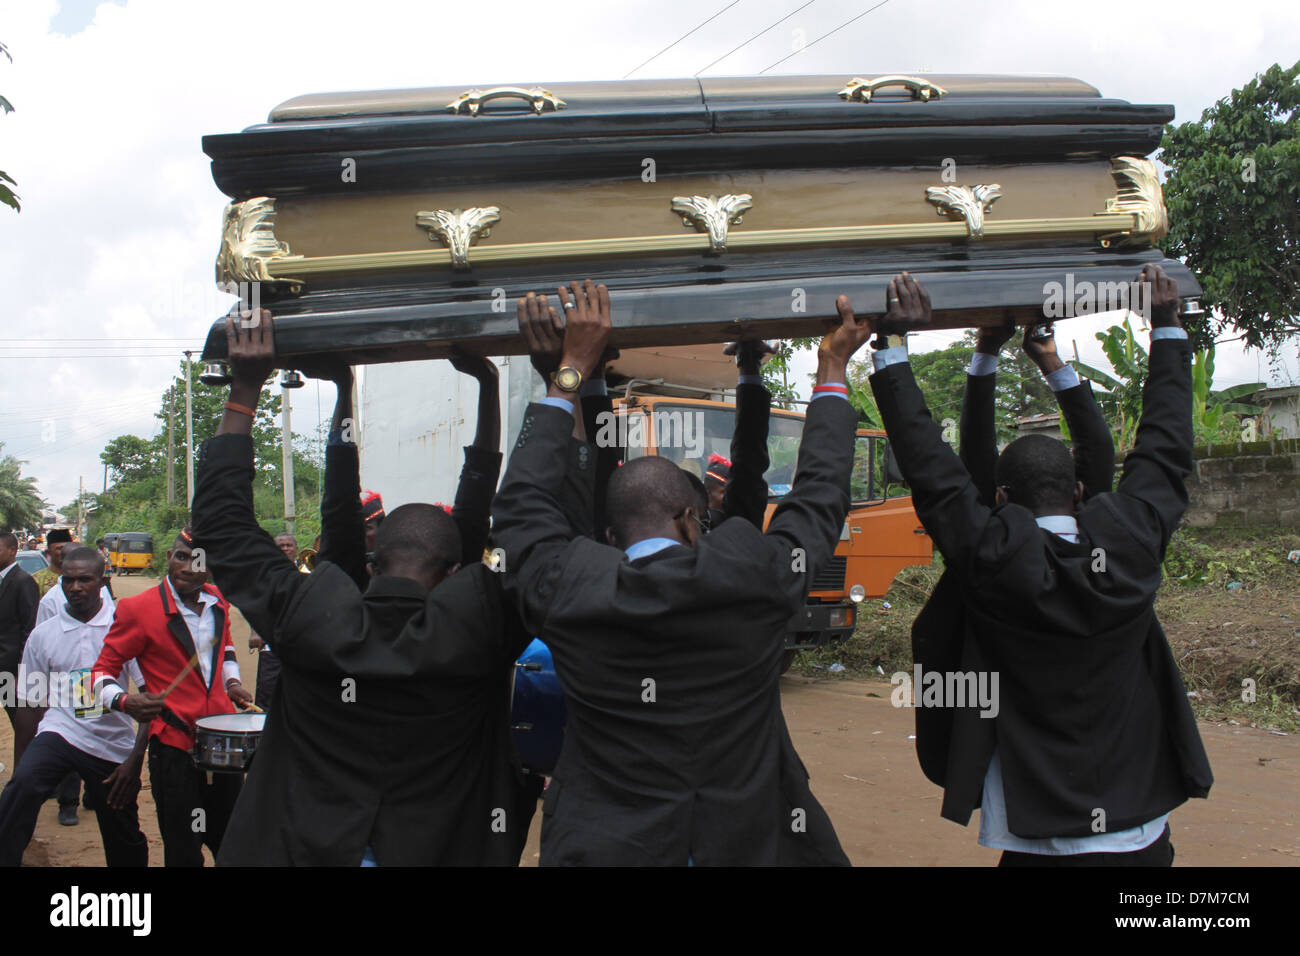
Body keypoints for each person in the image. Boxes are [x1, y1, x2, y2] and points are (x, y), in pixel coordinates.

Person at [494, 279, 866, 865]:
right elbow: (821, 491)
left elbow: (521, 504)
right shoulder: (754, 578)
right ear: (693, 522)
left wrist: (568, 373)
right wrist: (833, 365)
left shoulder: (569, 589)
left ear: (609, 539)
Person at [864, 267, 1213, 866]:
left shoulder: (992, 562)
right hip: (1141, 835)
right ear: (1081, 493)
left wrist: (895, 347)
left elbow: (934, 473)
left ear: (998, 501)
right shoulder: (1127, 546)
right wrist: (1166, 328)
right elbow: (1166, 448)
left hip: (1035, 836)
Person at [191, 311, 534, 866]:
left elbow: (221, 524)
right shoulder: (478, 629)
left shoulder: (312, 617)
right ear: (455, 573)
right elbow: (501, 524)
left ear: (373, 565)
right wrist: (494, 388)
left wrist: (250, 388)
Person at [90, 528, 253, 866]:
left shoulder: (218, 603)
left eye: (198, 561)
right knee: (183, 849)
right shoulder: (138, 609)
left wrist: (232, 682)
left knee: (233, 842)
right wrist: (123, 701)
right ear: (169, 557)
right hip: (174, 748)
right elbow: (98, 674)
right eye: (181, 557)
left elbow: (225, 647)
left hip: (222, 743)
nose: (187, 567)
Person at [0, 547, 148, 867]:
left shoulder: (124, 628)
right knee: (18, 795)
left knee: (123, 831)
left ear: (102, 580)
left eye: (85, 579)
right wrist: (22, 769)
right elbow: (29, 702)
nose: (76, 587)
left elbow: (151, 696)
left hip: (110, 742)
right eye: (69, 580)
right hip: (61, 730)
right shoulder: (43, 635)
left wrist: (135, 760)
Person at [0, 531, 40, 760]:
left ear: (12, 551)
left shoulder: (23, 582)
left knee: (22, 721)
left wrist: (20, 672)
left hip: (11, 670)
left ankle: (34, 769)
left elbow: (29, 629)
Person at [32, 528, 71, 597]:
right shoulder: (36, 580)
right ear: (48, 553)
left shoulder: (81, 577)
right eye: (60, 548)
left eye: (67, 548)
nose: (65, 551)